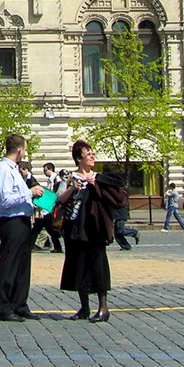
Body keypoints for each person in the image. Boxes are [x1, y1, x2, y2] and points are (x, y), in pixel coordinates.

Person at [56, 139, 125, 324]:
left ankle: (103, 308)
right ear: (79, 158)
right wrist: (73, 188)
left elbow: (118, 196)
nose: (92, 156)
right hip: (75, 227)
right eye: (88, 154)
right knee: (79, 266)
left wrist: (96, 183)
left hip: (95, 227)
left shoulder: (99, 176)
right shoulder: (70, 178)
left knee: (98, 265)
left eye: (92, 153)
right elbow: (59, 199)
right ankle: (84, 307)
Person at [0, 132, 45, 322]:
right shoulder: (3, 170)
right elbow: (5, 201)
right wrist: (29, 193)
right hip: (11, 221)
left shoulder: (14, 169)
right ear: (20, 150)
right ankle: (3, 307)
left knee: (22, 264)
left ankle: (19, 303)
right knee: (9, 264)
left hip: (22, 220)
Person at [32, 163, 64, 252]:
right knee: (41, 227)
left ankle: (57, 246)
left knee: (48, 228)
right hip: (47, 208)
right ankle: (57, 247)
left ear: (50, 169)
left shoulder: (56, 179)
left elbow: (56, 193)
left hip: (51, 208)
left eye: (45, 170)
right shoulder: (50, 180)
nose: (44, 172)